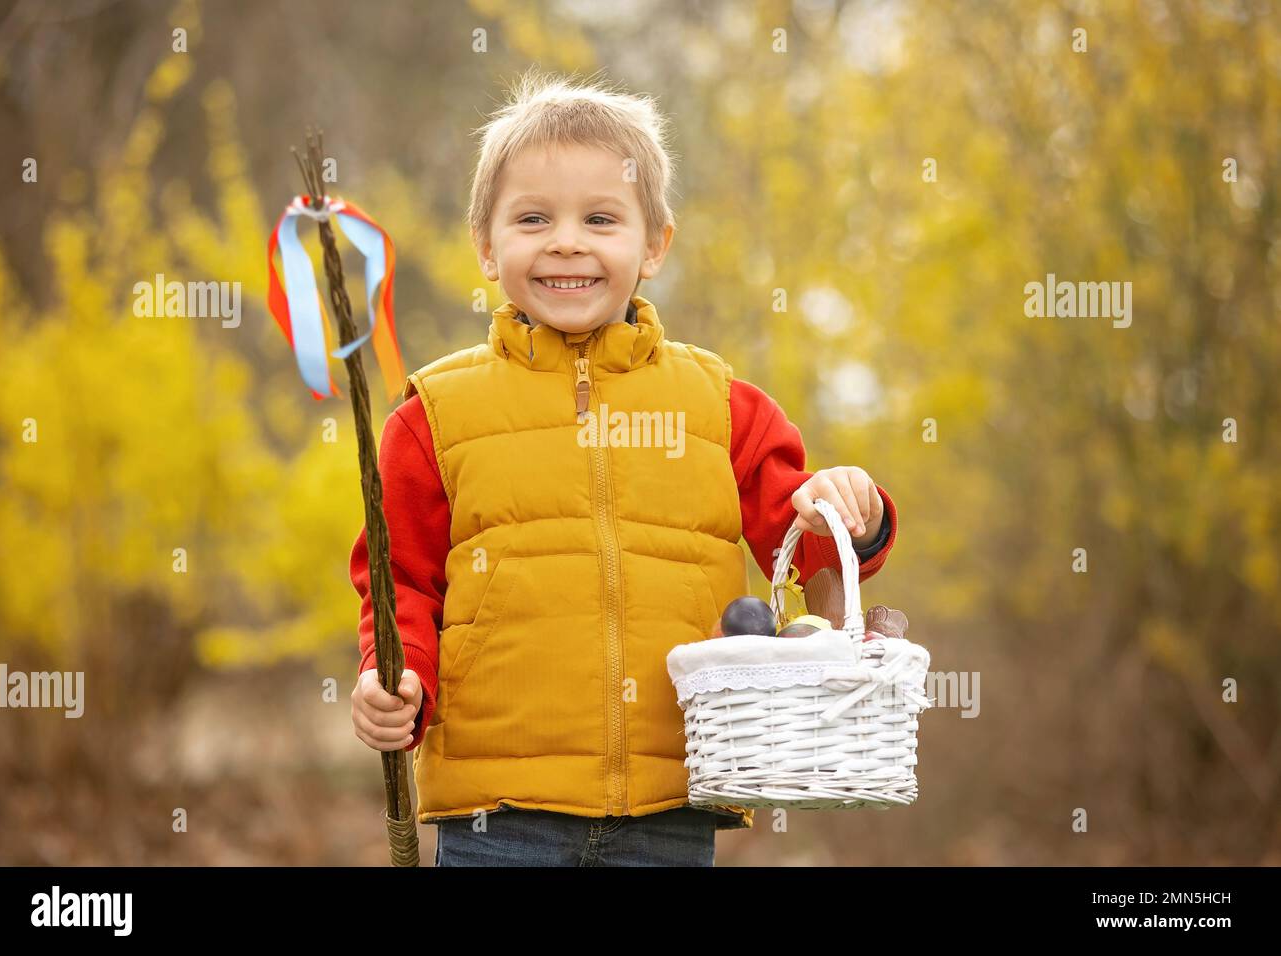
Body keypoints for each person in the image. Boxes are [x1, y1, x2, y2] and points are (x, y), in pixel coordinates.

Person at [349, 68, 898, 866]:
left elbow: (805, 542)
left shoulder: (720, 407)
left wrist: (858, 509)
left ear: (654, 246)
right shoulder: (434, 413)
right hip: (501, 816)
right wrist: (395, 684)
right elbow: (402, 582)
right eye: (533, 218)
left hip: (674, 807)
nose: (566, 241)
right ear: (484, 244)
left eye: (600, 219)